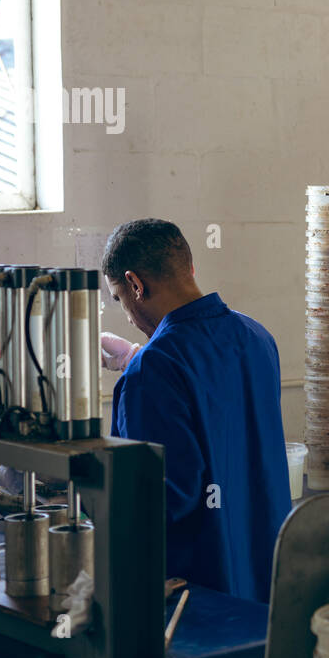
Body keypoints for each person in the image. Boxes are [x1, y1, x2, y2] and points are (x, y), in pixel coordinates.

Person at [100, 218, 289, 604]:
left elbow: (162, 498)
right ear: (189, 268)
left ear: (136, 284)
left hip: (197, 590)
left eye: (120, 298)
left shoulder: (151, 370)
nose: (128, 316)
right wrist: (143, 358)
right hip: (265, 577)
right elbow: (222, 416)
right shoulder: (257, 337)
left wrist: (82, 494)